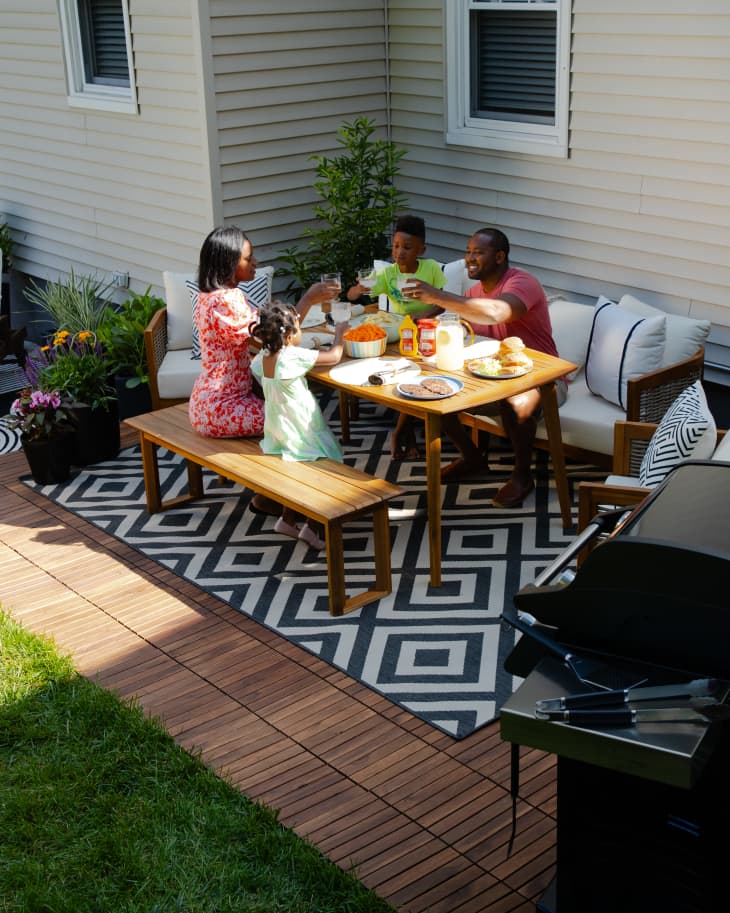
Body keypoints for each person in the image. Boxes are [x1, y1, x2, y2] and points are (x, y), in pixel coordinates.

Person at [403, 227, 567, 508]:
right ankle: (472, 458)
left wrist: (438, 296)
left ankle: (521, 476)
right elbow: (464, 327)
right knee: (435, 390)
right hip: (492, 378)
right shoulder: (474, 292)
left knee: (516, 399)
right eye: (468, 252)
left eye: (478, 252)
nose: (470, 258)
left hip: (543, 379)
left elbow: (497, 312)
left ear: (500, 256)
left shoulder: (522, 283)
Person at [188, 225, 337, 513]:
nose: (255, 262)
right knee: (297, 421)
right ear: (228, 263)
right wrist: (308, 299)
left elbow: (258, 340)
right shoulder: (224, 300)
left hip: (211, 400)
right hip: (221, 407)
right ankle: (293, 501)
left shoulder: (211, 295)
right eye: (248, 258)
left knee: (289, 412)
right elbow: (273, 334)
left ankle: (278, 496)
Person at [347, 214, 446, 460]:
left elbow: (442, 304)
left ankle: (400, 433)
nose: (399, 252)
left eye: (407, 248)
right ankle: (406, 434)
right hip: (397, 334)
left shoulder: (431, 268)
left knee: (417, 373)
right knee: (403, 375)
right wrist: (359, 289)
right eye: (396, 246)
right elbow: (350, 296)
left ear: (421, 249)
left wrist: (420, 318)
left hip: (426, 331)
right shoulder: (388, 274)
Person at [250, 301, 348, 550]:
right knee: (321, 467)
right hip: (301, 424)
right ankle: (312, 527)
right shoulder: (292, 356)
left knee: (294, 468)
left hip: (277, 426)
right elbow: (334, 356)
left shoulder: (262, 358)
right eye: (299, 326)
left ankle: (287, 519)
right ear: (290, 334)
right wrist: (340, 332)